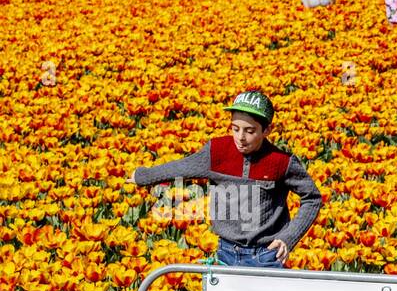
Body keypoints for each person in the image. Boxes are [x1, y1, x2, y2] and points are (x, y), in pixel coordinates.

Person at [130, 90, 321, 267]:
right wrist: (143, 176)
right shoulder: (217, 152)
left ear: (267, 130)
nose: (240, 137)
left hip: (267, 254)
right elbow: (180, 167)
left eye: (250, 131)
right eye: (235, 128)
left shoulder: (281, 162)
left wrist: (289, 237)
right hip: (226, 252)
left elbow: (312, 198)